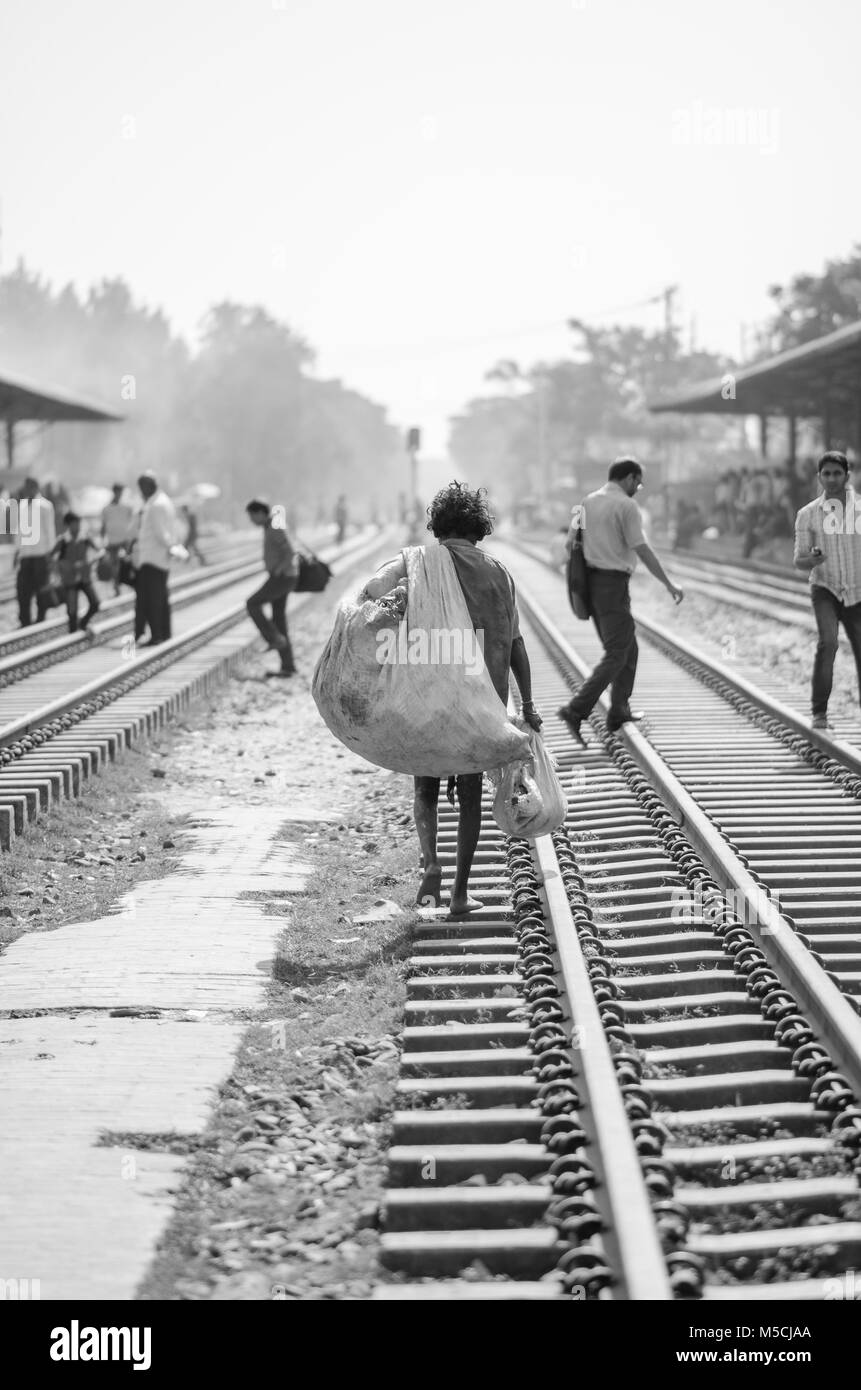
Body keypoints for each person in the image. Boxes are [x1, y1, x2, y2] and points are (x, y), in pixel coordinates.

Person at [362, 481, 543, 914]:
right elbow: (515, 644)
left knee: (425, 783)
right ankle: (461, 893)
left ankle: (430, 862)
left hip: (426, 693)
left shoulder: (419, 564)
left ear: (438, 526)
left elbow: (370, 593)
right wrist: (529, 706)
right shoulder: (498, 572)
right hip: (480, 701)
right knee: (470, 793)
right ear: (478, 528)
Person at [558, 457, 684, 745]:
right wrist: (669, 583)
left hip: (591, 585)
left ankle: (619, 709)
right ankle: (576, 709)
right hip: (612, 585)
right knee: (618, 652)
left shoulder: (585, 502)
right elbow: (642, 548)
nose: (638, 487)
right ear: (629, 478)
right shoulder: (627, 506)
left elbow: (569, 544)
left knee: (629, 648)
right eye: (638, 482)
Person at [793, 450, 861, 731]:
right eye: (826, 474)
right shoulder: (807, 515)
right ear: (819, 477)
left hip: (858, 591)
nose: (832, 479)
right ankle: (819, 712)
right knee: (828, 643)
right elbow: (799, 561)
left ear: (847, 475)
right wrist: (813, 559)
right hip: (825, 588)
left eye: (837, 473)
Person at [244, 499, 299, 678]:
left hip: (282, 578)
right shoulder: (271, 526)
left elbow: (290, 552)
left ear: (260, 513)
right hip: (283, 577)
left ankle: (274, 638)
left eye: (252, 516)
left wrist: (279, 570)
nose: (251, 520)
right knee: (278, 619)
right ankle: (288, 666)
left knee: (252, 603)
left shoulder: (274, 527)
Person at [131, 473, 182, 647]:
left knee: (152, 599)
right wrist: (173, 547)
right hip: (159, 558)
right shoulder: (163, 502)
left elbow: (160, 533)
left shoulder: (155, 506)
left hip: (152, 558)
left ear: (148, 486)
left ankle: (157, 635)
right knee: (160, 597)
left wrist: (171, 546)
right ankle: (164, 633)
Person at [14, 477, 57, 626]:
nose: (27, 490)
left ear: (36, 487)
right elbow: (19, 531)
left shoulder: (45, 506)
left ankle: (40, 619)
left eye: (30, 487)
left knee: (41, 590)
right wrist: (17, 551)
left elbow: (50, 530)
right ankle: (25, 620)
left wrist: (50, 553)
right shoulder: (22, 505)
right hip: (26, 554)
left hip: (41, 554)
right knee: (23, 589)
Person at [52, 511, 101, 634]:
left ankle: (83, 623)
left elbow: (100, 551)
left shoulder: (85, 538)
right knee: (72, 611)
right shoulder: (63, 541)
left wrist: (90, 561)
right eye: (74, 523)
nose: (77, 526)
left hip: (84, 576)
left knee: (95, 603)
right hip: (69, 579)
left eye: (78, 523)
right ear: (68, 525)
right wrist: (63, 566)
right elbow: (51, 557)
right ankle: (73, 634)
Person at [101, 483, 134, 594]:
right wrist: (102, 542)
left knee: (130, 562)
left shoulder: (127, 507)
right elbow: (103, 526)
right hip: (113, 541)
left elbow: (133, 522)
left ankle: (131, 583)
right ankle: (116, 587)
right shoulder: (106, 509)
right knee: (115, 565)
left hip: (126, 540)